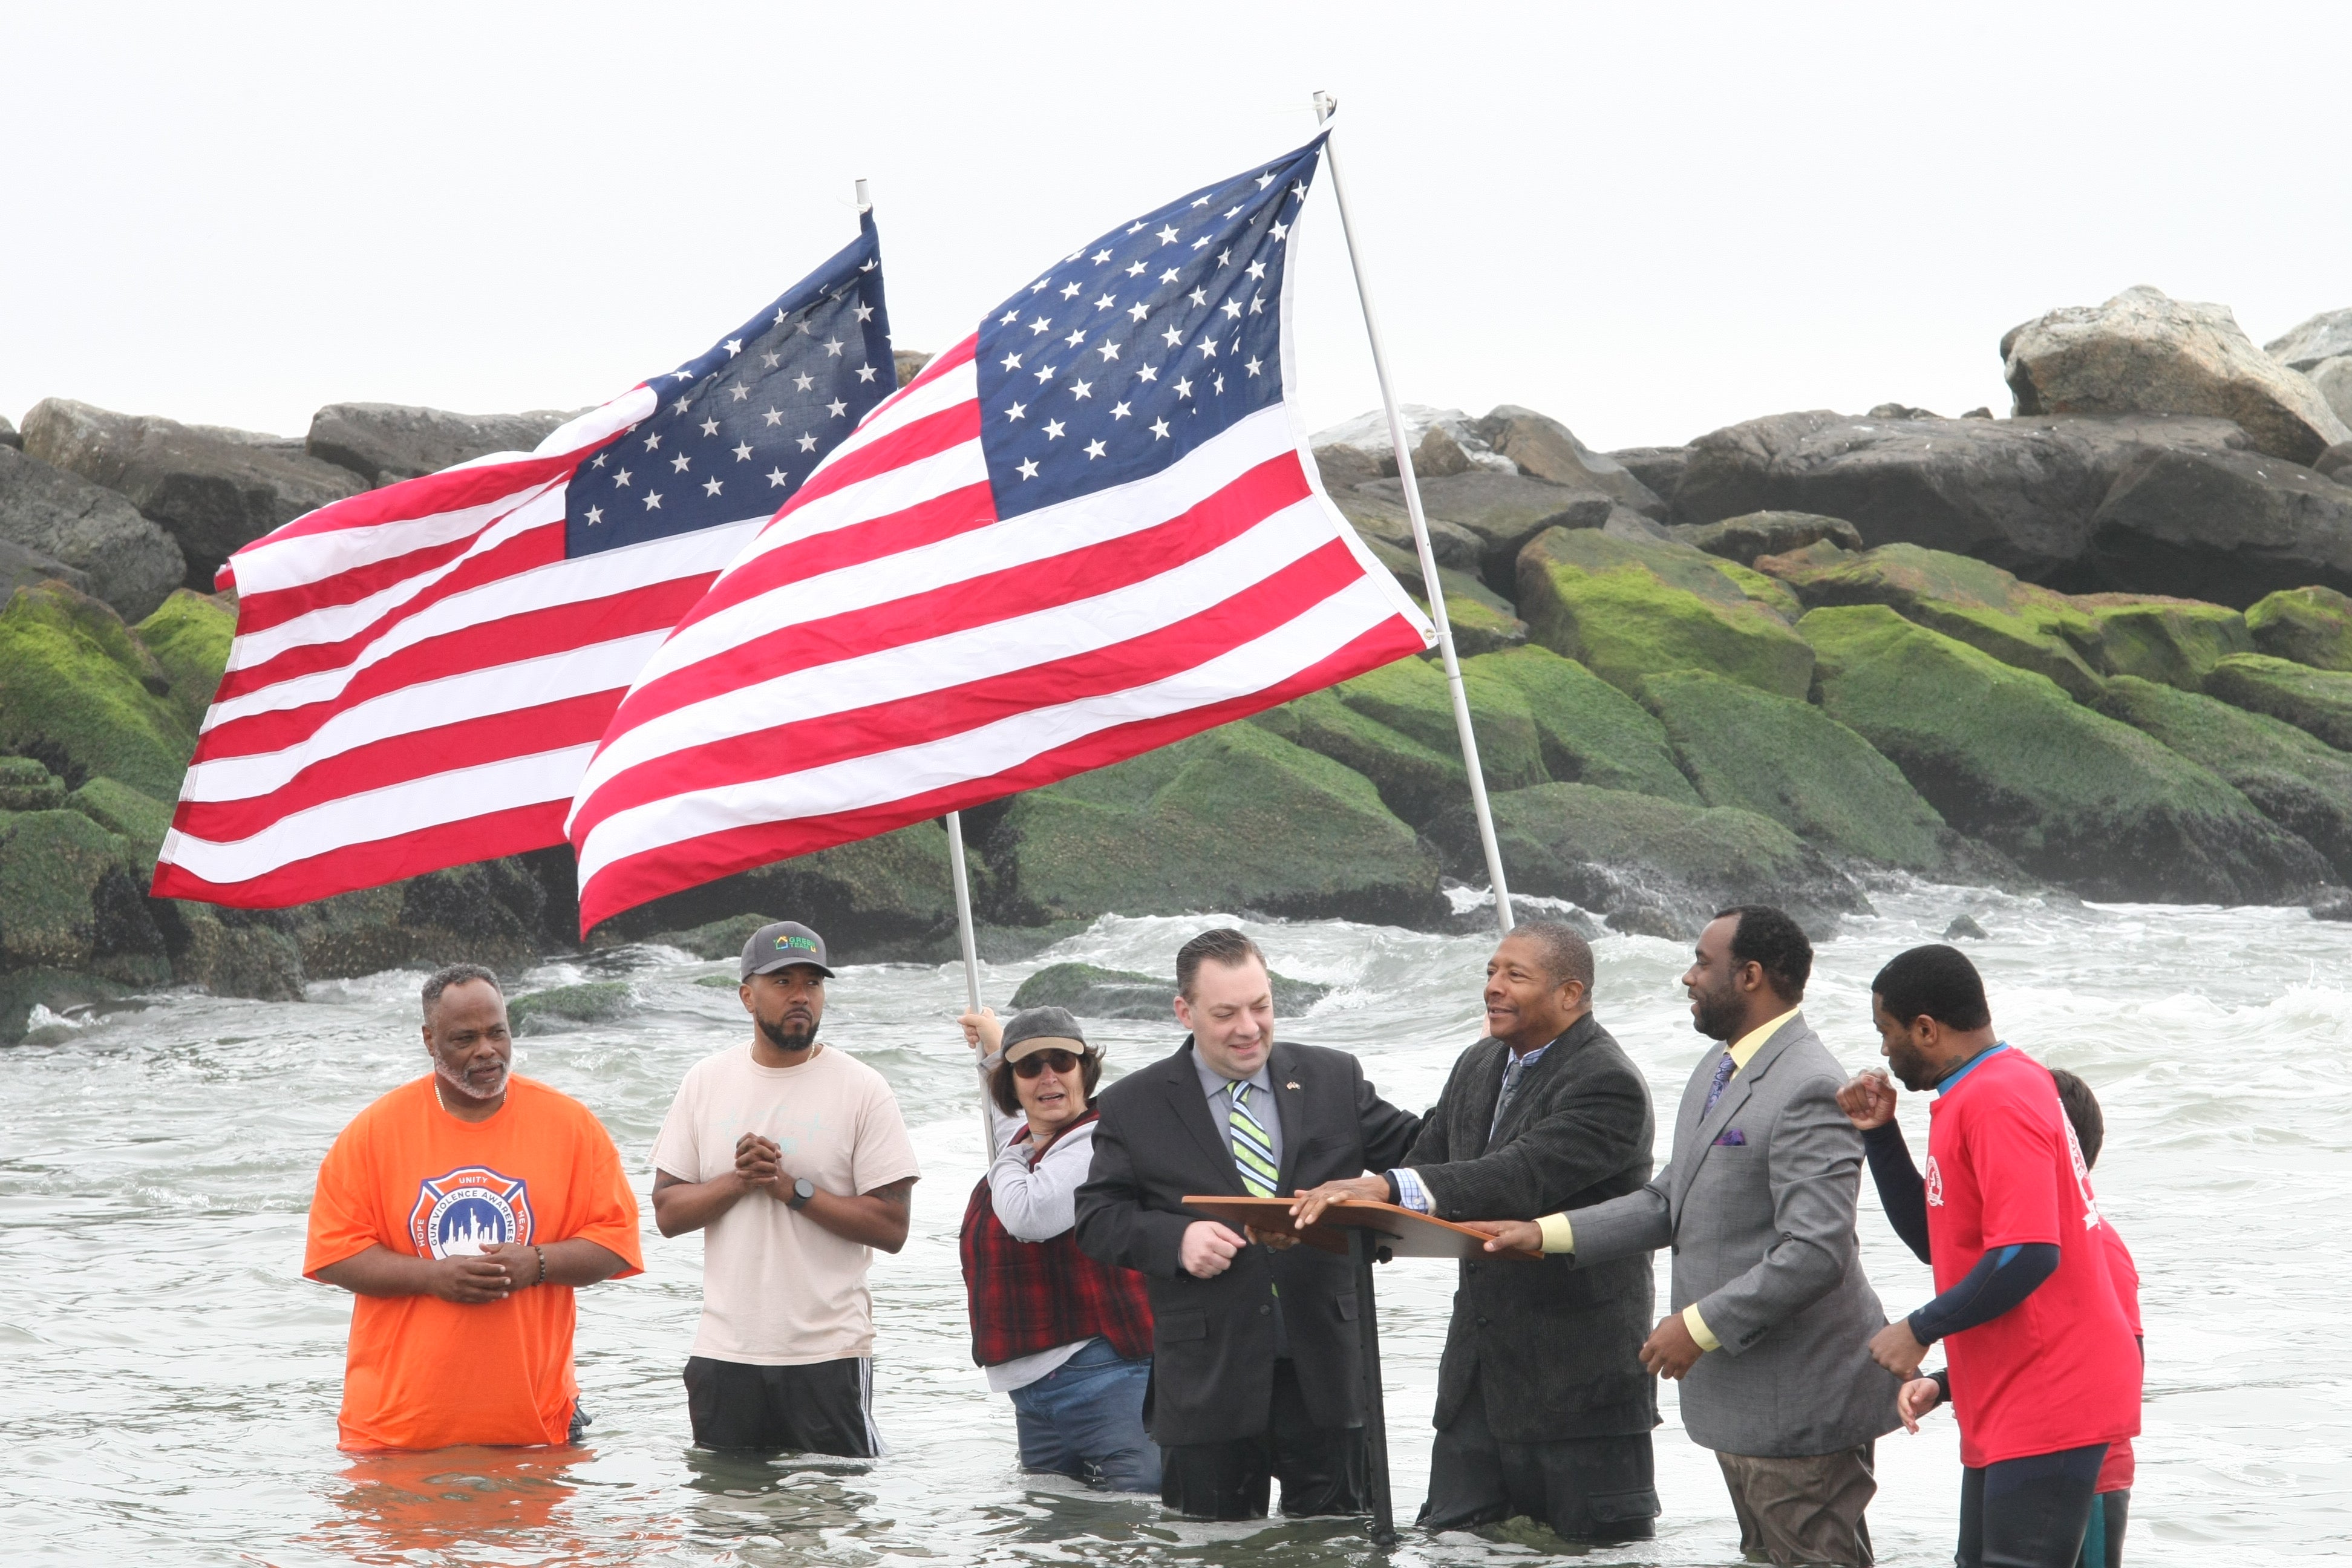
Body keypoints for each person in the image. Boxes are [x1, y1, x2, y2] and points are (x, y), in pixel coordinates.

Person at [1463, 907, 1900, 1565]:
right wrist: (1543, 1234)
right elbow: (1669, 1201)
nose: (1687, 977)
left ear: (1750, 976)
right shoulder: (1716, 1070)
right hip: (1743, 1399)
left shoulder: (1809, 1082)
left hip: (1802, 1399)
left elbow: (1817, 1252)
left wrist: (1697, 1326)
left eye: (1702, 962)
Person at [1290, 920, 1661, 1544]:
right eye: (1491, 972)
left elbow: (1515, 1176)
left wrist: (1383, 1186)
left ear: (1571, 994)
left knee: (1593, 1555)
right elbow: (1428, 1165)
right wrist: (1315, 1222)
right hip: (1475, 1384)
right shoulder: (1479, 1061)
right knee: (1450, 1549)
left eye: (1515, 976)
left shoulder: (1609, 1082)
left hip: (1580, 1389)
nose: (1493, 987)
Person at [1073, 927, 1421, 1521]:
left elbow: (1424, 1151)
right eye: (1226, 1013)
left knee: (1337, 1550)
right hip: (1207, 1379)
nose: (1249, 1027)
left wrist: (1492, 1073)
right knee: (1214, 1554)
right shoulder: (1133, 1104)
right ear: (1184, 1011)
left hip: (1329, 1369)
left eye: (1261, 1006)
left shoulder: (1332, 1077)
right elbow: (1097, 1217)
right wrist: (1176, 1240)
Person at [1835, 944, 2139, 1568]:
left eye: (1887, 1034)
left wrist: (1920, 1329)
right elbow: (1937, 1242)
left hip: (2052, 1390)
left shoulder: (1998, 1096)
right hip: (2006, 1391)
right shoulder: (1971, 1093)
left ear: (1926, 1028)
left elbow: (2030, 1253)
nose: (1885, 1052)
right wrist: (1882, 1136)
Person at [304, 963, 642, 1450]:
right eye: (465, 1039)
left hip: (535, 1427)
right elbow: (333, 1255)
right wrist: (433, 1277)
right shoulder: (373, 1134)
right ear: (429, 1040)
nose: (487, 1051)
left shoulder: (570, 1126)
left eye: (497, 1033)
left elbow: (615, 1243)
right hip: (395, 1433)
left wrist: (537, 1263)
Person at [649, 921, 921, 1456]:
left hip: (829, 1356)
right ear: (747, 995)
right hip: (725, 1354)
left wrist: (791, 1190)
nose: (801, 997)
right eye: (783, 982)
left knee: (832, 1526)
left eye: (813, 984)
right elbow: (667, 1213)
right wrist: (741, 1181)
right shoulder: (705, 1081)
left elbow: (892, 1228)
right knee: (728, 1523)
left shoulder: (863, 1087)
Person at [1890, 1068, 2141, 1568]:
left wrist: (1920, 1331)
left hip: (2087, 1470)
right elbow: (2030, 1339)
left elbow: (2124, 1358)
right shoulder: (2013, 1245)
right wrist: (1943, 1384)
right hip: (2020, 1439)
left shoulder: (2095, 1246)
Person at [956, 1003, 1158, 1491]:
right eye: (1030, 1067)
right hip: (1034, 1392)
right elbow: (1011, 1123)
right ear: (1013, 1084)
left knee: (1135, 1524)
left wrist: (1009, 1157)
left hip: (1107, 1378)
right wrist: (992, 1045)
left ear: (1084, 1072)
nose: (1048, 1077)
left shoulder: (1095, 1141)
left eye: (1062, 1063)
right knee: (1055, 1541)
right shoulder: (1034, 1139)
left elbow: (1032, 1215)